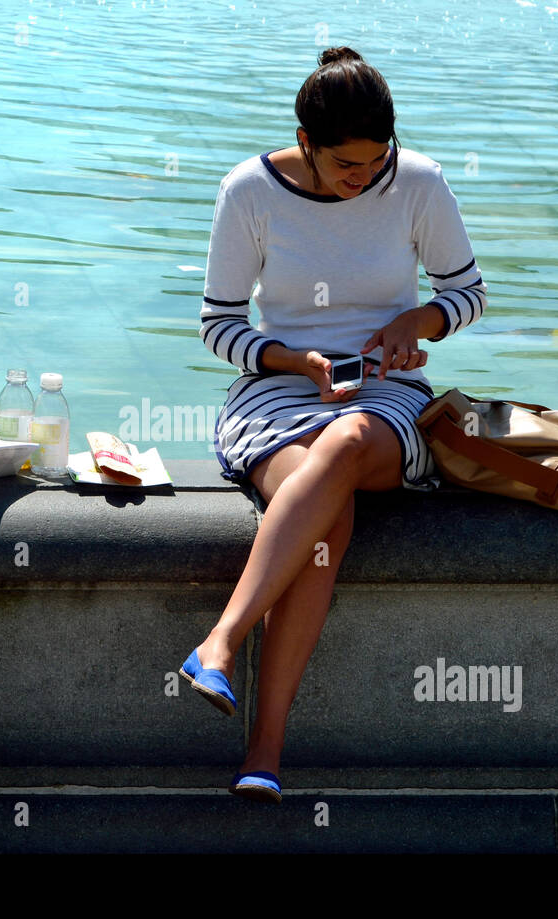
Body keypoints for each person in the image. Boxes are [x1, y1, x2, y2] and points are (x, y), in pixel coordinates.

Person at [180, 47, 488, 803]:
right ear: (306, 143)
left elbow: (468, 291)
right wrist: (292, 359)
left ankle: (219, 643)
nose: (365, 178)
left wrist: (421, 319)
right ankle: (266, 751)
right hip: (278, 391)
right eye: (347, 165)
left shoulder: (417, 181)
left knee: (346, 444)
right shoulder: (248, 191)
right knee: (329, 513)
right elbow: (219, 325)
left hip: (388, 397)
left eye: (376, 161)